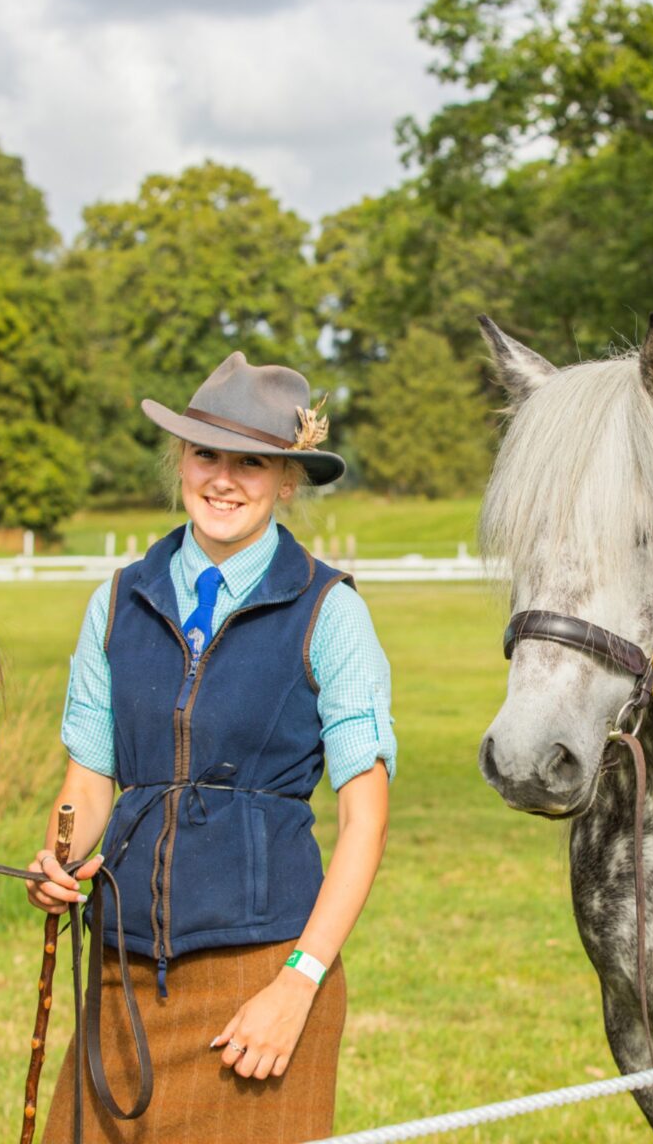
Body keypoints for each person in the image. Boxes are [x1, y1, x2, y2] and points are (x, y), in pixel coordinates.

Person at [26, 353, 395, 1143]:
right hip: (120, 978)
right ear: (179, 461)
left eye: (252, 462)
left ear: (287, 480)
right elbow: (89, 783)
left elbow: (364, 824)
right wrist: (59, 856)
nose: (223, 480)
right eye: (206, 455)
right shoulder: (117, 601)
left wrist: (297, 984)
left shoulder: (331, 613)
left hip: (261, 981)